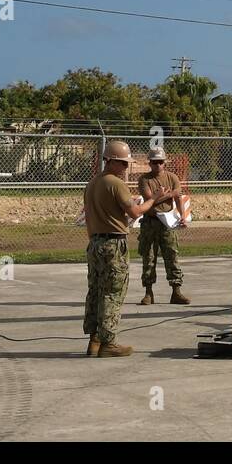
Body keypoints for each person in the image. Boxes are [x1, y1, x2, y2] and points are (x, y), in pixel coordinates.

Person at [82, 139, 165, 358]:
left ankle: (95, 339)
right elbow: (135, 212)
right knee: (113, 292)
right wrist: (154, 200)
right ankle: (109, 343)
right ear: (111, 161)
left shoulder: (92, 184)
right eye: (124, 163)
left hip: (95, 243)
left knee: (96, 291)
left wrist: (94, 240)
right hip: (113, 243)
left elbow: (89, 217)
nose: (126, 167)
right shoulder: (115, 184)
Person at [137, 146, 189, 306]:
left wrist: (183, 216)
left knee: (172, 256)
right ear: (150, 163)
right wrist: (168, 195)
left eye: (160, 162)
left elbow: (178, 198)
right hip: (150, 222)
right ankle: (148, 292)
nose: (157, 165)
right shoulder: (144, 180)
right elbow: (149, 200)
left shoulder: (172, 177)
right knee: (149, 257)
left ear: (164, 163)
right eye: (154, 162)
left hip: (167, 222)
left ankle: (176, 291)